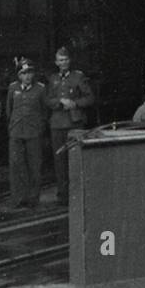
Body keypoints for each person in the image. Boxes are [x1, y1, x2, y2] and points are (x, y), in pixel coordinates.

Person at [45, 47, 93, 206]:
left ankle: (77, 193)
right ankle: (63, 195)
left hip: (74, 123)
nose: (63, 63)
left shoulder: (78, 77)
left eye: (65, 59)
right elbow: (48, 100)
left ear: (69, 60)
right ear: (56, 62)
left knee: (75, 159)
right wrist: (59, 102)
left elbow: (89, 98)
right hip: (57, 124)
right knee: (59, 160)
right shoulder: (52, 79)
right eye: (60, 60)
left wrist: (74, 103)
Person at [5, 58, 47, 209]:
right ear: (18, 75)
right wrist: (12, 127)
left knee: (34, 166)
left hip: (33, 132)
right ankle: (18, 198)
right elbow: (9, 110)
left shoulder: (40, 89)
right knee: (16, 166)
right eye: (23, 73)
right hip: (16, 132)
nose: (27, 76)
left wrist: (39, 127)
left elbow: (44, 112)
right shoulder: (12, 88)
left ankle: (33, 198)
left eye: (30, 73)